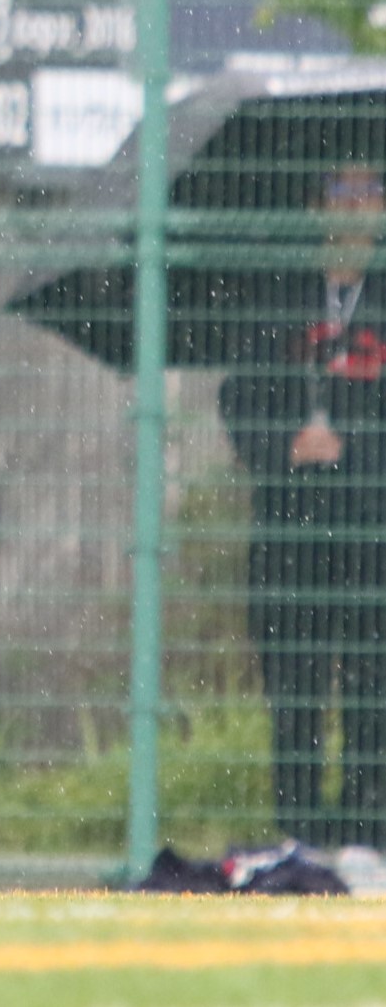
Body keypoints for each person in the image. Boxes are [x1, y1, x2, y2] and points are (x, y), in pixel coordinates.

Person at [220, 163, 386, 847]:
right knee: (292, 677)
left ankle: (363, 832)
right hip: (289, 528)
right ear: (317, 206)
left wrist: (354, 448)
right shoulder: (278, 300)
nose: (353, 208)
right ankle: (298, 833)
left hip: (371, 528)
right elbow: (237, 397)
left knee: (371, 684)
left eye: (368, 191)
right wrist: (286, 444)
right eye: (340, 192)